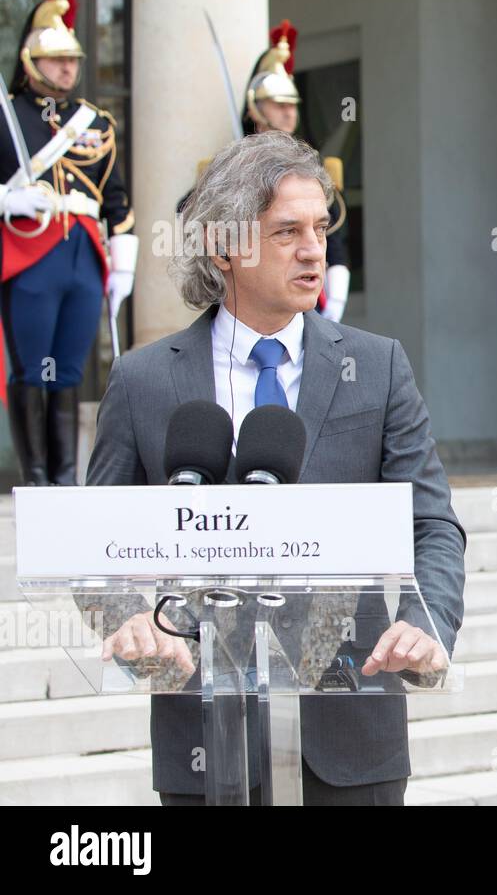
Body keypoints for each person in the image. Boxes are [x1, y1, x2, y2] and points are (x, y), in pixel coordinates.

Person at [86, 131, 465, 805]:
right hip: (202, 743)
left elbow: (432, 524)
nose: (314, 249)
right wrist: (128, 618)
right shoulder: (144, 381)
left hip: (352, 743)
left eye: (320, 227)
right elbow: (94, 540)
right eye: (287, 230)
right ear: (228, 246)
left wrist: (423, 619)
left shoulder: (377, 368)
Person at [0, 0, 136, 485]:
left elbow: (116, 199)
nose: (66, 68)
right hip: (31, 255)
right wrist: (8, 198)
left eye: (71, 59)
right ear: (31, 60)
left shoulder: (96, 122)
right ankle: (34, 477)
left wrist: (122, 264)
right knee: (32, 368)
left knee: (70, 373)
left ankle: (64, 477)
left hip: (83, 257)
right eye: (56, 58)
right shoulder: (7, 115)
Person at [185, 20, 352, 322]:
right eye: (277, 103)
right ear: (255, 106)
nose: (289, 112)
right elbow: (189, 215)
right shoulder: (230, 169)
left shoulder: (312, 167)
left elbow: (333, 233)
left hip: (306, 295)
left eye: (292, 103)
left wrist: (336, 293)